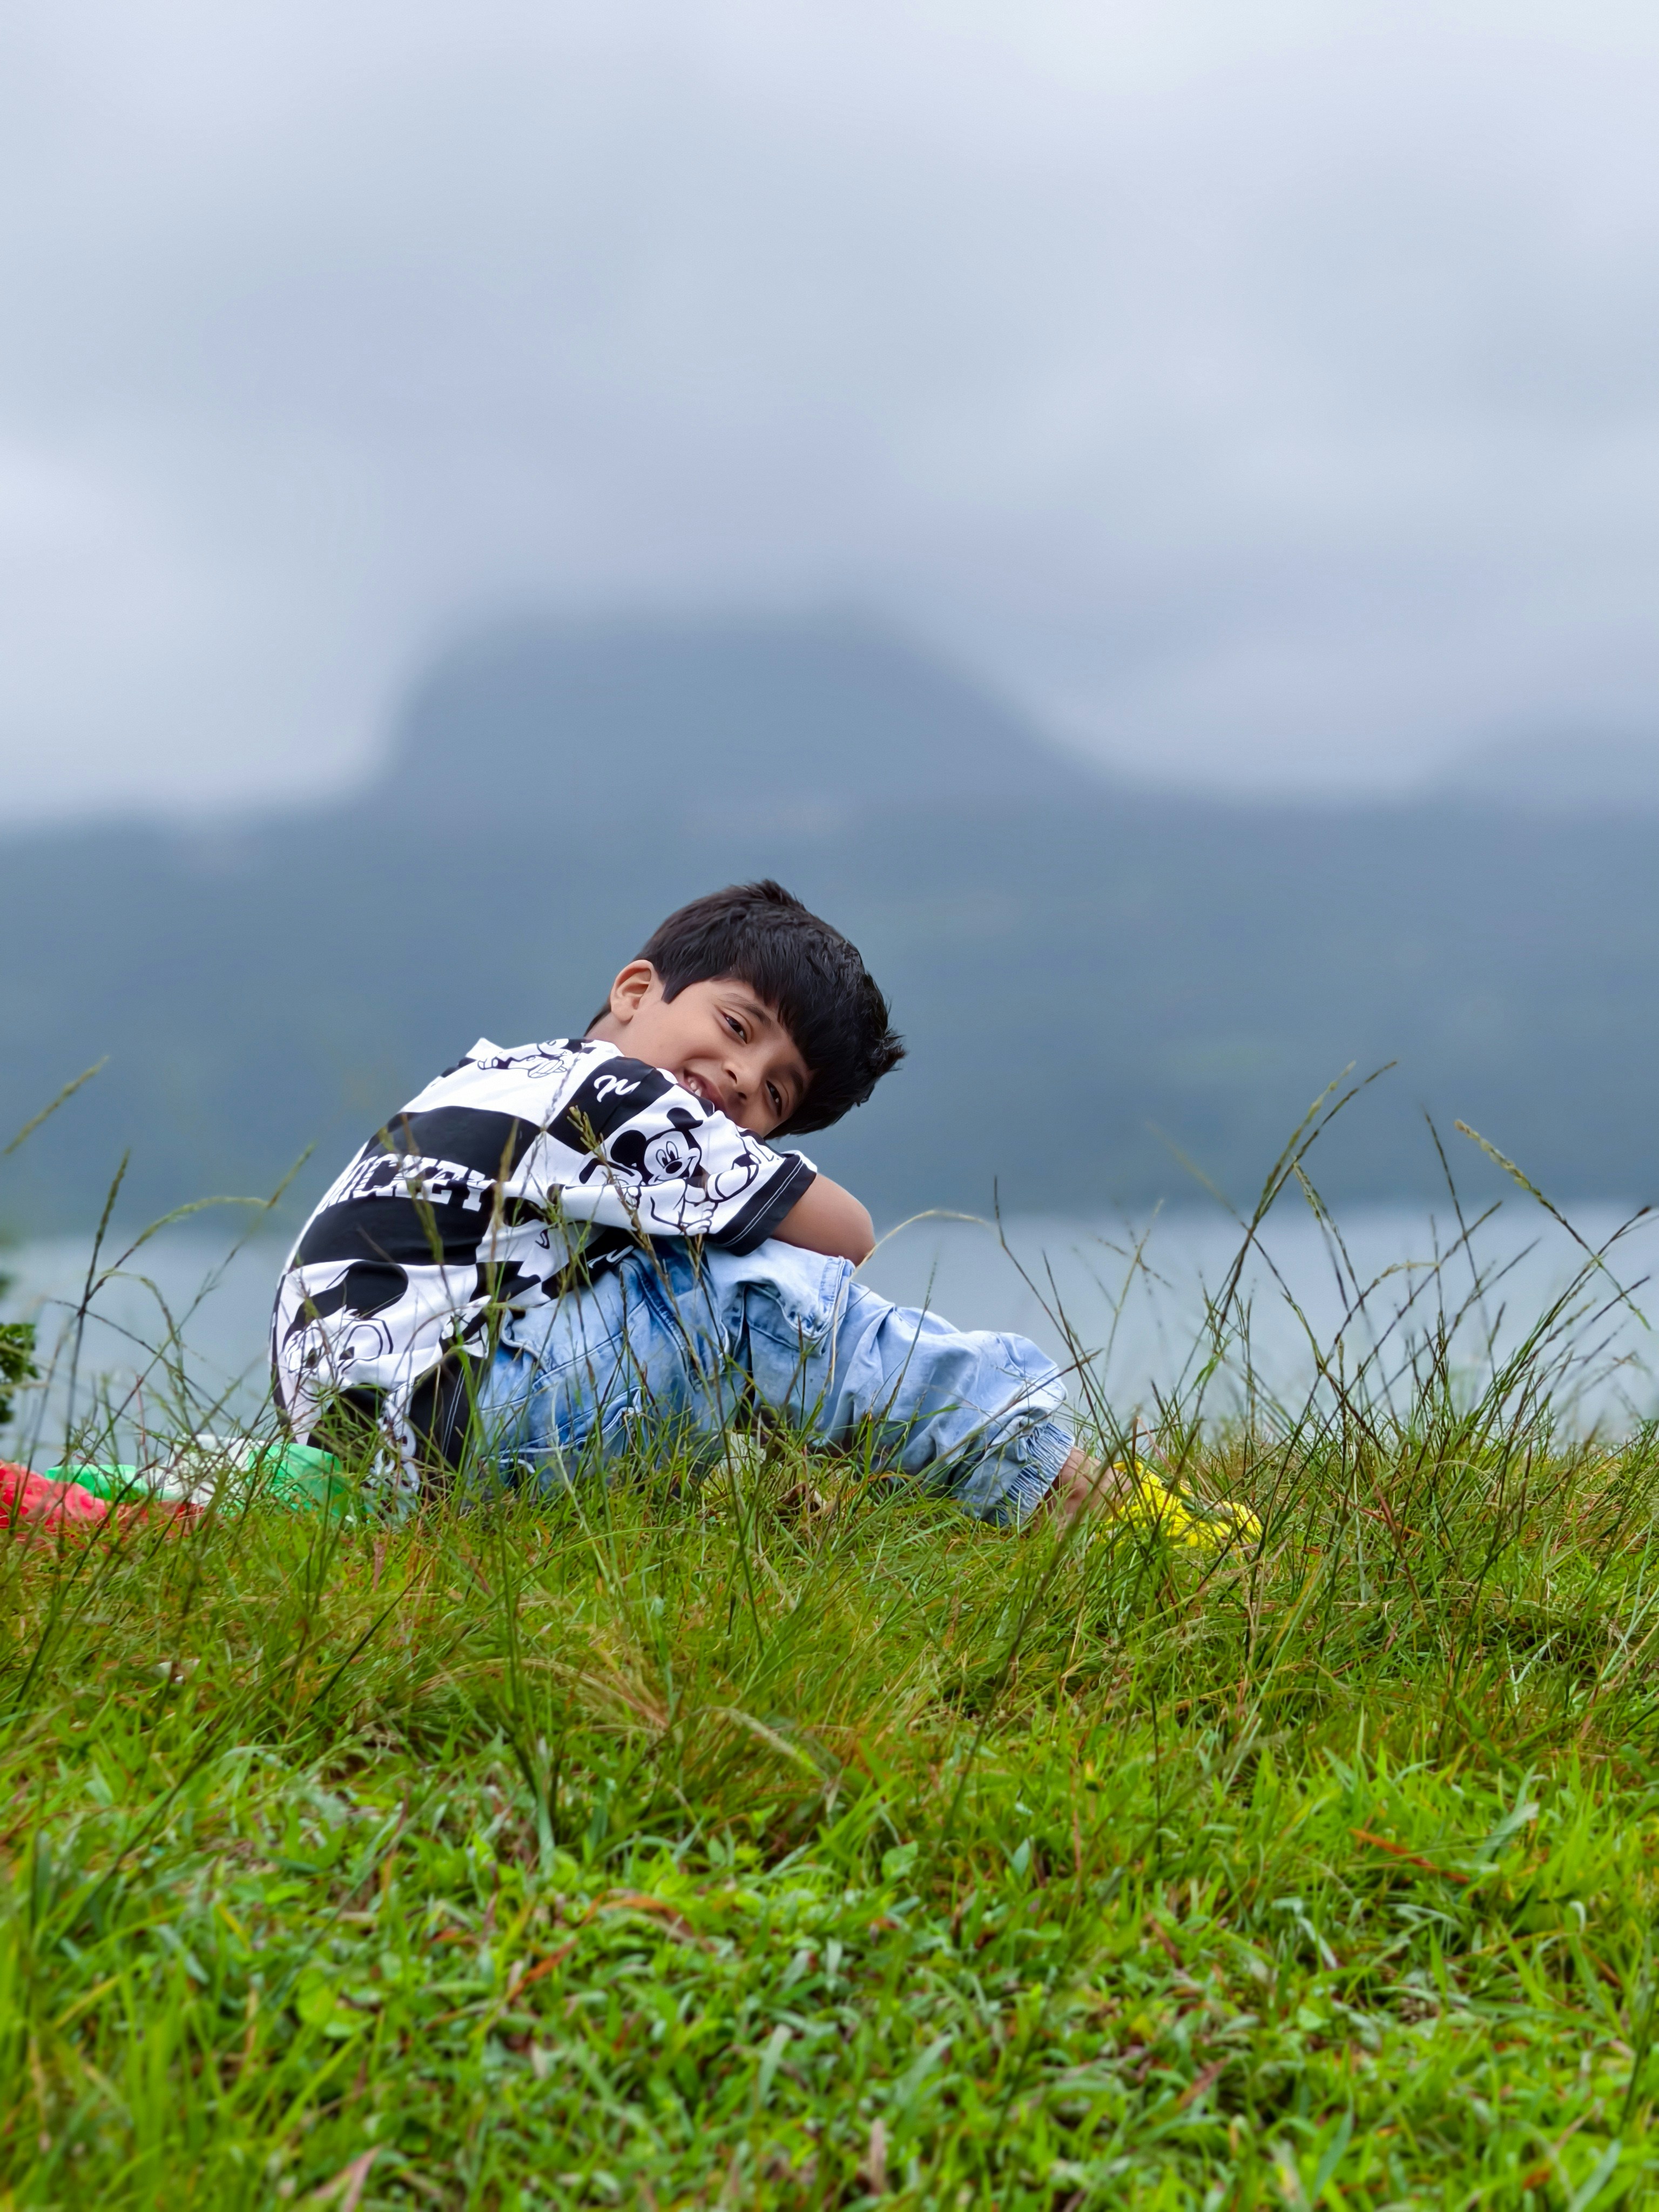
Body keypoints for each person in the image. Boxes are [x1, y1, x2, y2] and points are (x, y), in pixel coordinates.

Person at [269, 880, 1160, 1528]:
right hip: (443, 1424)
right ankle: (1068, 1489)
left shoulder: (505, 1077)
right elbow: (847, 1236)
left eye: (778, 1096)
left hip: (380, 1450)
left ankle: (860, 1478)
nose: (742, 1080)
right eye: (738, 1029)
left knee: (690, 1276)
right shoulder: (605, 1085)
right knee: (750, 1288)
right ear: (635, 992)